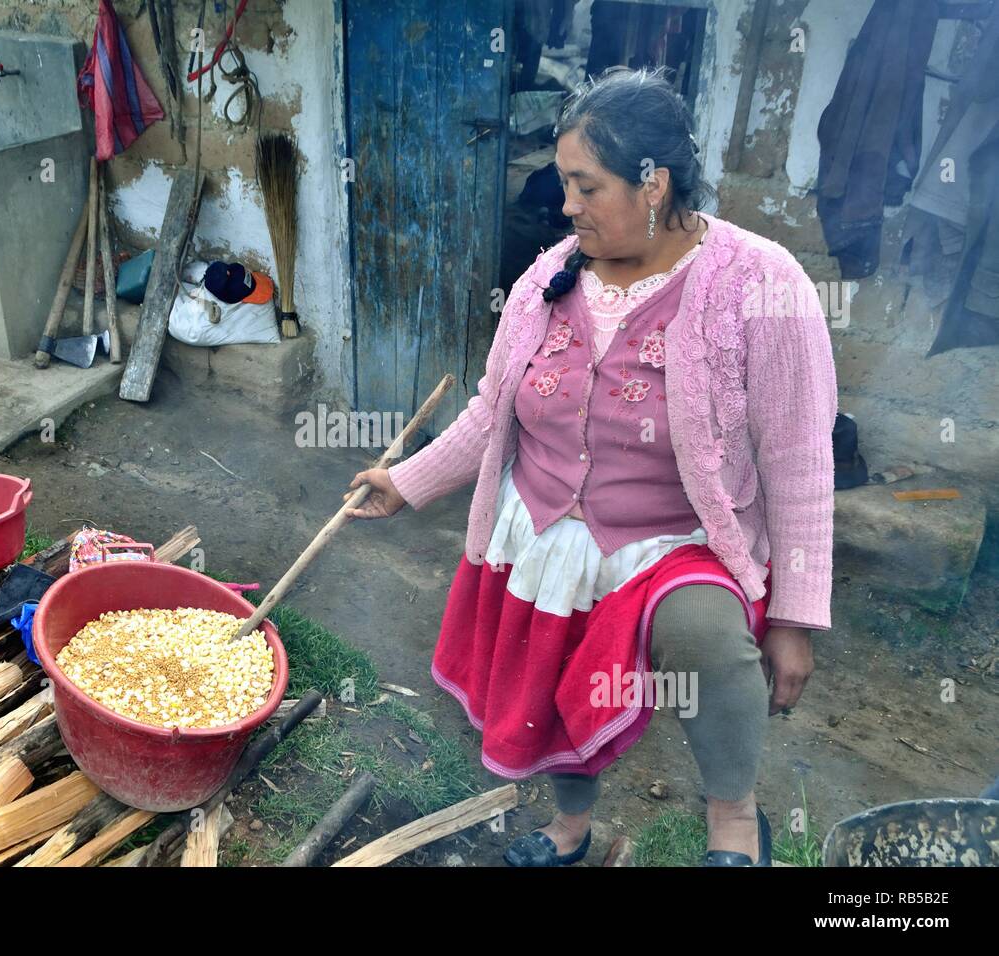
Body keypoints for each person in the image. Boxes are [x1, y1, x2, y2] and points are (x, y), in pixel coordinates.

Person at [345, 67, 837, 867]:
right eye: (565, 184)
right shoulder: (551, 277)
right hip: (544, 527)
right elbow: (490, 411)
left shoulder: (762, 284)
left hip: (676, 542)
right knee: (545, 682)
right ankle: (570, 826)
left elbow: (801, 462)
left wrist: (794, 619)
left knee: (708, 639)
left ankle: (734, 821)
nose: (565, 205)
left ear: (655, 184)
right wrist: (406, 482)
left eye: (584, 185)